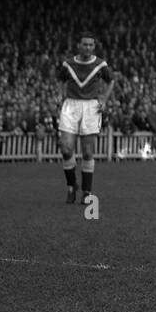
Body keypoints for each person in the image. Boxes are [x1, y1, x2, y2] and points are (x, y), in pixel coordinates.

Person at [57, 32, 115, 204]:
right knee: (66, 149)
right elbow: (60, 80)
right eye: (85, 44)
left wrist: (104, 98)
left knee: (88, 152)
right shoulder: (68, 64)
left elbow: (110, 81)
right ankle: (71, 185)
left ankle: (87, 191)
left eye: (91, 45)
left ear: (94, 47)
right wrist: (59, 96)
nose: (88, 47)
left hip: (91, 107)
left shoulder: (100, 64)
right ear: (79, 46)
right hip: (71, 105)